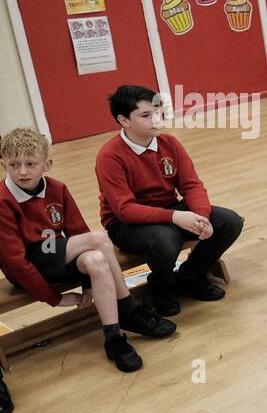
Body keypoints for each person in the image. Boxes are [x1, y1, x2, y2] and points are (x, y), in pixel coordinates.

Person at [0, 126, 175, 373]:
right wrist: (54, 298)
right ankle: (129, 308)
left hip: (56, 251)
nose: (22, 171)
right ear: (3, 164)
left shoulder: (57, 188)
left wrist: (89, 283)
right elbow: (15, 261)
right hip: (27, 265)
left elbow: (77, 231)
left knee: (95, 259)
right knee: (100, 240)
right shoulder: (2, 200)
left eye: (30, 163)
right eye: (14, 164)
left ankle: (114, 339)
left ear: (47, 165)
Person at [96, 85, 244, 317]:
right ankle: (162, 288)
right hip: (125, 224)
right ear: (124, 120)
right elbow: (125, 209)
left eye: (157, 111)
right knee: (166, 238)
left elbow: (191, 185)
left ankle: (190, 275)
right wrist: (176, 217)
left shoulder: (170, 144)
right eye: (145, 115)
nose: (156, 118)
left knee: (229, 221)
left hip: (168, 210)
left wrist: (201, 216)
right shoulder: (109, 156)